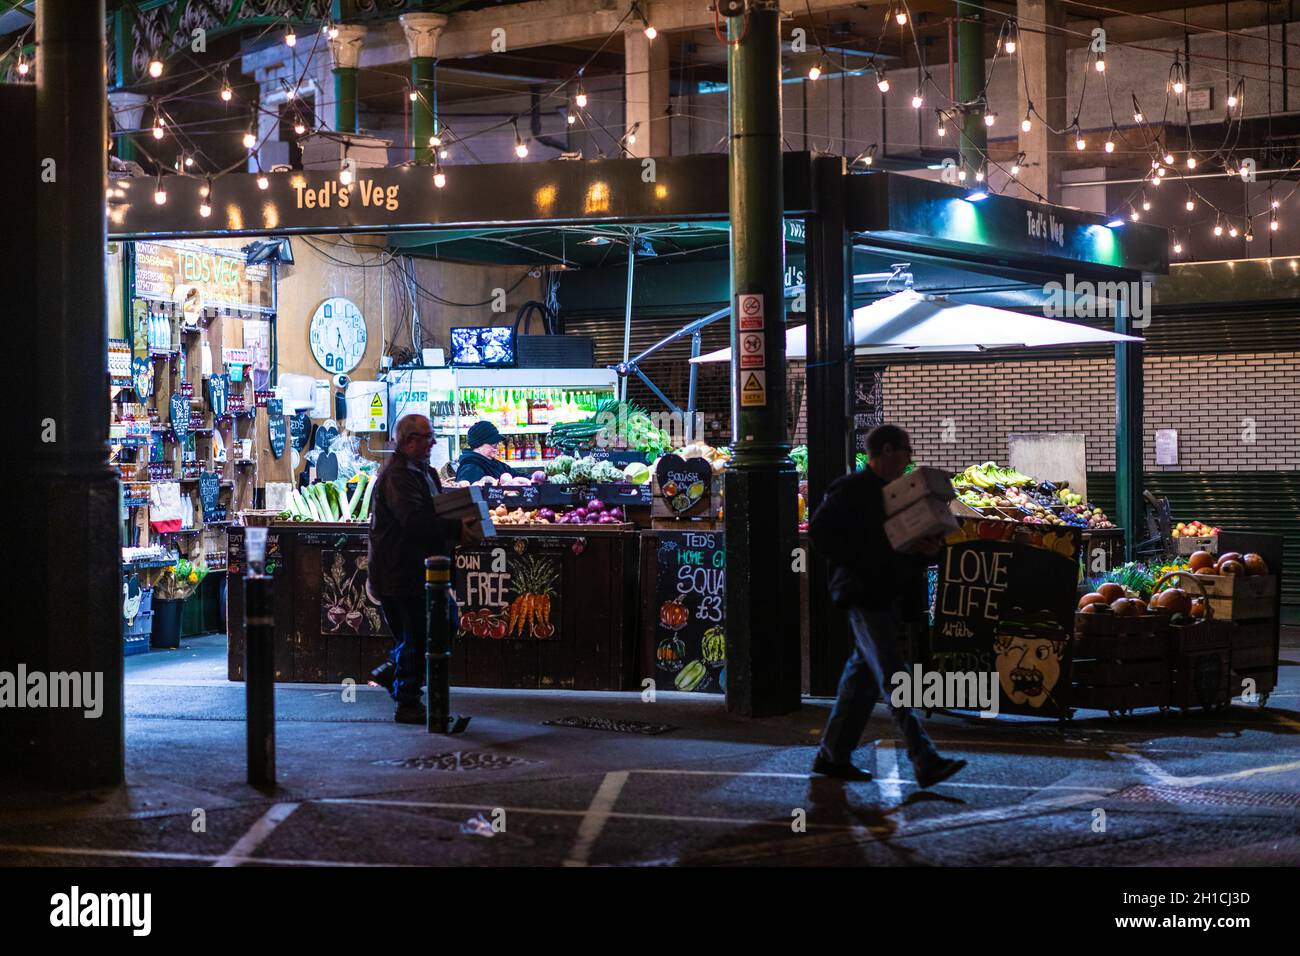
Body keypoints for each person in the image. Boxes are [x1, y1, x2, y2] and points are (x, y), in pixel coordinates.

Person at [808, 424, 967, 788]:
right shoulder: (851, 490)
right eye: (905, 450)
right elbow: (819, 534)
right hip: (865, 594)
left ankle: (832, 756)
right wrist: (871, 554)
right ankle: (924, 758)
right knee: (896, 678)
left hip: (888, 595)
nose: (909, 459)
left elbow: (903, 548)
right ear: (887, 451)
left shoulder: (899, 495)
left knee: (859, 682)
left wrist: (925, 550)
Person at [368, 413, 483, 724]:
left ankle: (393, 671)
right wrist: (458, 529)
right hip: (401, 571)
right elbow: (414, 521)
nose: (433, 442)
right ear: (408, 441)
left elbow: (433, 512)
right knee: (420, 634)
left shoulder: (424, 471)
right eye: (427, 437)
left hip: (426, 570)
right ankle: (407, 701)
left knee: (443, 624)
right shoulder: (397, 477)